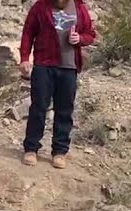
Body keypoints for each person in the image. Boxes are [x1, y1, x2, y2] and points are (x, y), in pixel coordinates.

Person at [19, 0, 97, 169]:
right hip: (43, 65)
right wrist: (25, 58)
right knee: (38, 107)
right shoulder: (41, 6)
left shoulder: (80, 8)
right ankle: (31, 148)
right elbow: (28, 33)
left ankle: (60, 152)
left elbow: (90, 34)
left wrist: (80, 39)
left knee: (64, 109)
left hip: (69, 68)